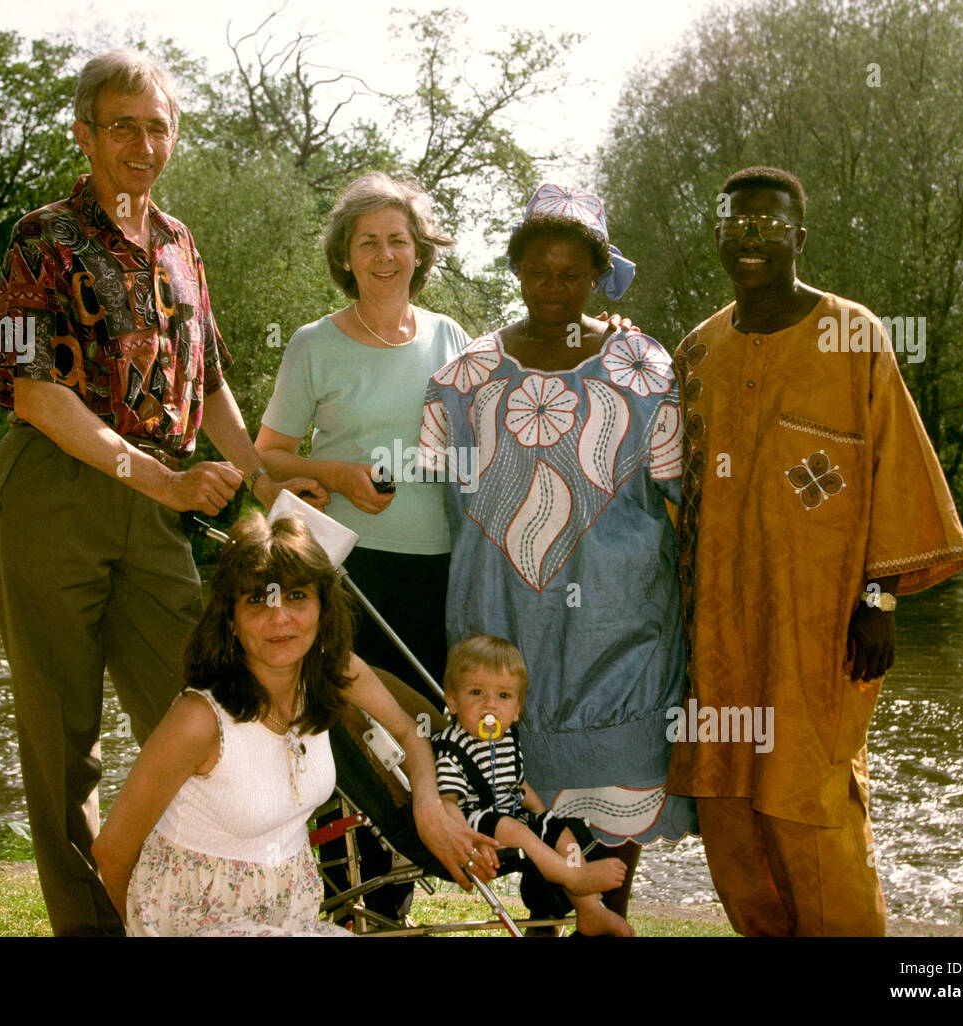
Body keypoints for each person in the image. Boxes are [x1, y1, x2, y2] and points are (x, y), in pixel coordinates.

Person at [0, 49, 324, 936]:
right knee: (64, 740)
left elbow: (206, 387)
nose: (142, 142)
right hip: (58, 488)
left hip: (162, 506)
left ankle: (213, 910)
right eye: (123, 124)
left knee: (212, 698)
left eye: (158, 125)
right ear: (85, 132)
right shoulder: (40, 237)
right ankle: (92, 929)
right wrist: (161, 478)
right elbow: (32, 390)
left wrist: (261, 479)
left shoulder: (179, 243)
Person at [666, 166, 963, 937]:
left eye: (769, 226)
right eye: (737, 224)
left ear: (800, 238)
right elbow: (670, 498)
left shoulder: (852, 336)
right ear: (717, 234)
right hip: (717, 638)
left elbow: (896, 472)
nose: (752, 239)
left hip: (820, 630)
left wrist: (879, 600)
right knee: (730, 805)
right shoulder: (697, 354)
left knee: (816, 800)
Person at [419, 184, 698, 926]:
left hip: (621, 632)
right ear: (514, 270)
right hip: (504, 633)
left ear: (599, 275)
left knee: (612, 832)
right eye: (539, 271)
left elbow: (676, 487)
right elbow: (441, 497)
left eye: (571, 273)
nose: (553, 287)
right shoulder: (465, 376)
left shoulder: (642, 363)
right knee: (524, 810)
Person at [92, 513, 498, 935]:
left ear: (323, 607)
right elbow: (112, 851)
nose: (280, 617)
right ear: (230, 619)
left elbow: (409, 731)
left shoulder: (332, 672)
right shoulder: (199, 721)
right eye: (256, 600)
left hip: (292, 919)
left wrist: (429, 807)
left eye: (297, 596)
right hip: (199, 924)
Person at [255, 173, 470, 700]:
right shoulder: (312, 344)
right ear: (345, 257)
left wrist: (598, 338)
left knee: (433, 726)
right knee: (348, 731)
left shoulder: (453, 338)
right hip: (343, 566)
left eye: (398, 240)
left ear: (419, 253)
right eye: (367, 242)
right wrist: (336, 475)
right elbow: (266, 456)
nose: (385, 254)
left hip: (442, 567)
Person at [433, 635, 633, 936]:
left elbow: (517, 783)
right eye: (476, 692)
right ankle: (573, 877)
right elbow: (447, 801)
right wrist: (466, 840)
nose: (490, 705)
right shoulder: (453, 747)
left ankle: (588, 907)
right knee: (511, 827)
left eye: (503, 696)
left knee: (562, 830)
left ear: (517, 710)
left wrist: (541, 812)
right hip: (474, 824)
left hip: (508, 816)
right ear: (452, 700)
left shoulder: (508, 739)